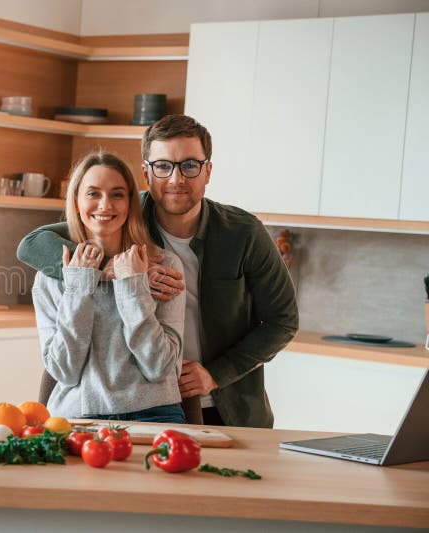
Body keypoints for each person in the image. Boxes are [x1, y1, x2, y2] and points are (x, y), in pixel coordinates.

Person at [18, 115, 298, 428]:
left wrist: (216, 374)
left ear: (208, 171)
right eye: (163, 166)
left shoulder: (243, 232)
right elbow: (32, 244)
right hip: (141, 397)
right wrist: (111, 269)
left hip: (221, 400)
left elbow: (282, 320)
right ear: (146, 173)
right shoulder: (122, 213)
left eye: (190, 165)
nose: (176, 179)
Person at [32, 150, 187, 423]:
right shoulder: (51, 276)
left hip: (155, 413)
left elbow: (160, 367)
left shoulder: (164, 267)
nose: (105, 205)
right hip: (80, 415)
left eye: (117, 194)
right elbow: (64, 370)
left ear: (130, 203)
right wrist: (79, 287)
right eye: (93, 193)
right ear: (76, 202)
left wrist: (132, 286)